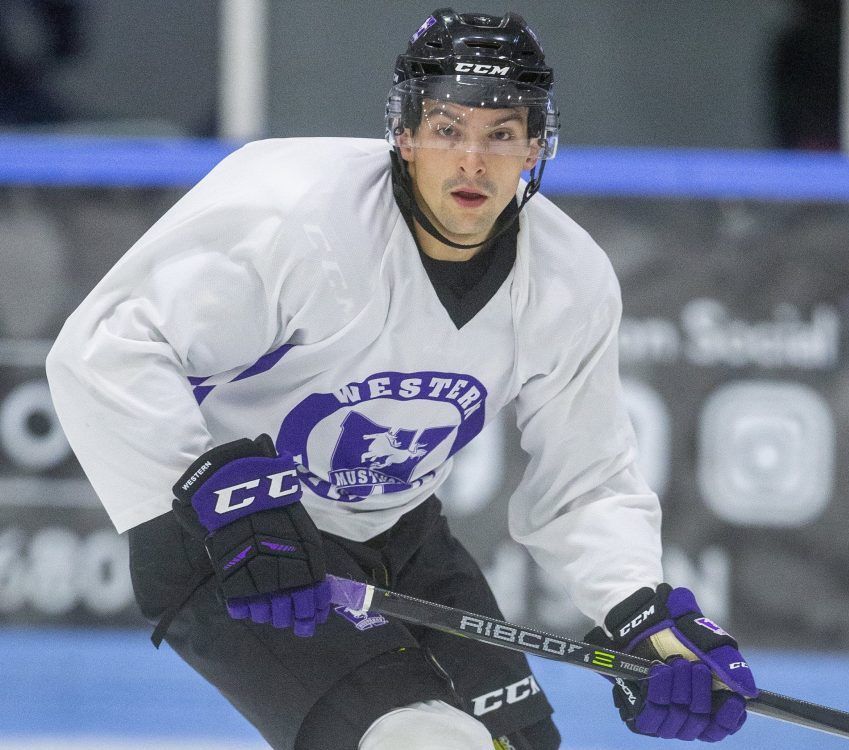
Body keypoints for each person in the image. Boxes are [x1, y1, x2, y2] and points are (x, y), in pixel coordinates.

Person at [46, 8, 756, 750]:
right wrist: (222, 492)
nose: (473, 162)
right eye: (449, 129)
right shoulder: (293, 212)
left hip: (397, 535)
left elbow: (585, 482)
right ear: (406, 134)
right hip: (230, 540)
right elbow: (105, 349)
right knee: (426, 742)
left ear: (537, 145)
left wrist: (640, 614)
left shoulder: (568, 279)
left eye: (501, 134)